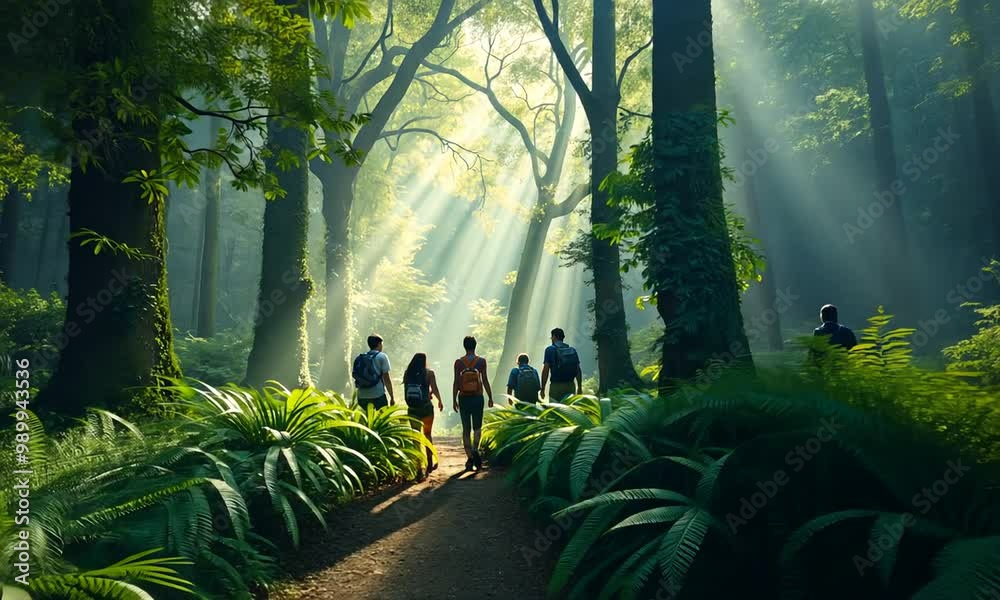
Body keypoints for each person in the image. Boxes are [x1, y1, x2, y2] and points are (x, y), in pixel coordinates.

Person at [452, 336, 494, 471]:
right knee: (477, 427)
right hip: (477, 398)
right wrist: (490, 397)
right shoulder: (481, 361)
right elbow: (485, 380)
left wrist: (454, 399)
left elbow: (456, 382)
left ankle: (469, 457)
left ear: (464, 346)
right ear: (475, 346)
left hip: (464, 398)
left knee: (466, 429)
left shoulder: (458, 362)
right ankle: (475, 449)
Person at [402, 353, 444, 479]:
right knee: (427, 434)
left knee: (415, 438)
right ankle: (430, 463)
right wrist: (440, 401)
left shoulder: (407, 373)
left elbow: (406, 390)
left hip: (413, 409)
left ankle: (418, 467)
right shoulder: (429, 373)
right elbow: (434, 388)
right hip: (426, 408)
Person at [352, 334, 394, 411]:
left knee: (366, 421)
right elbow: (387, 379)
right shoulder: (382, 356)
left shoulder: (360, 358)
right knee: (382, 420)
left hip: (362, 395)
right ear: (379, 344)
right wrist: (392, 396)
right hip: (378, 394)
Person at [541, 328, 582, 403]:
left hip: (556, 386)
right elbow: (578, 370)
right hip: (570, 385)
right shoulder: (572, 350)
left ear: (554, 337)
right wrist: (579, 387)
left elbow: (545, 370)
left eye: (551, 337)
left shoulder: (550, 349)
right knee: (568, 411)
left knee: (555, 411)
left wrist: (543, 388)